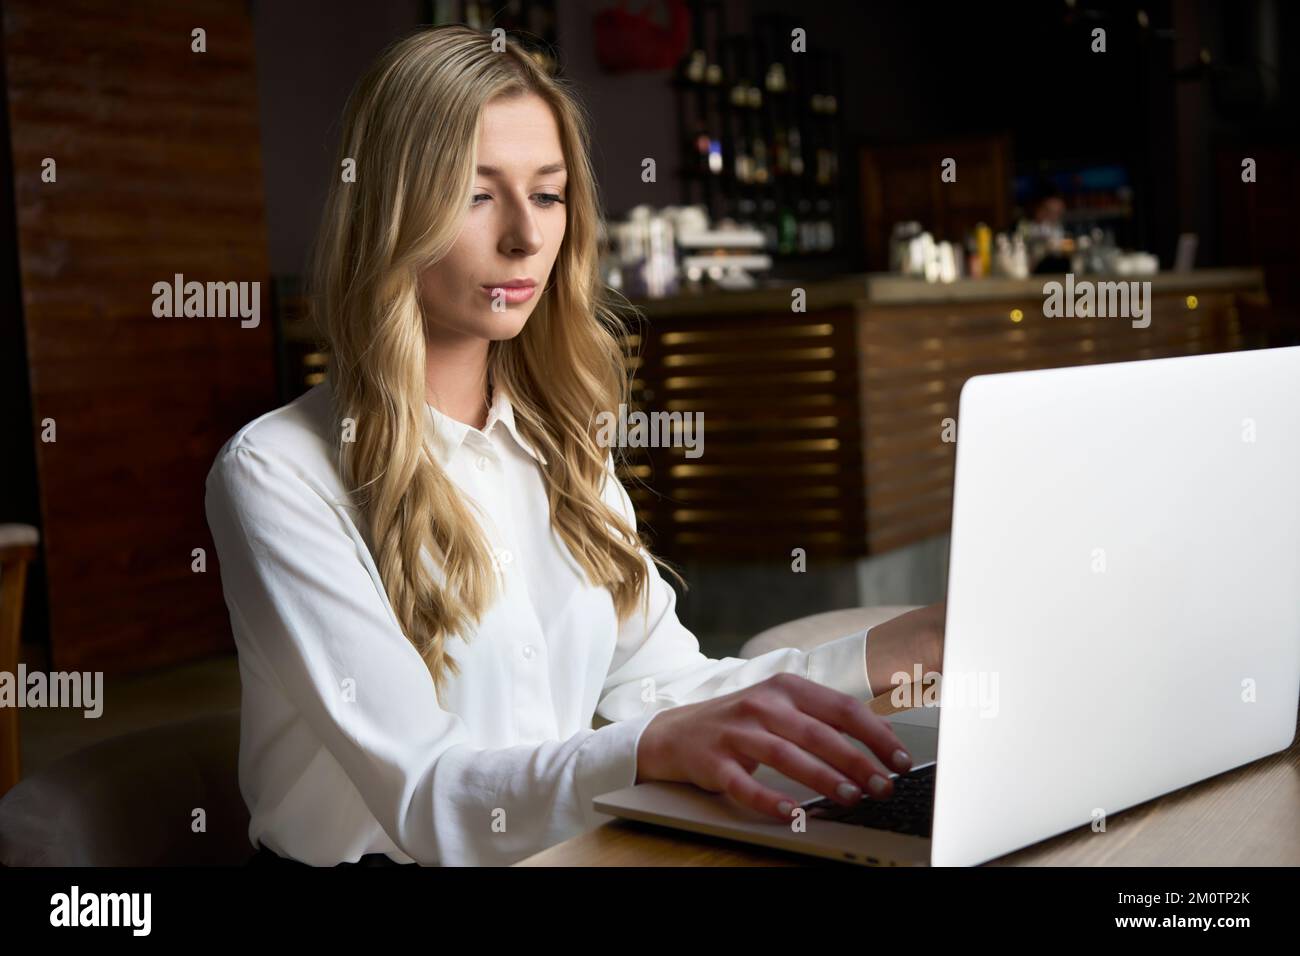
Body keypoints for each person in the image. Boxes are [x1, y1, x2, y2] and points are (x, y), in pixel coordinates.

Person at [205, 24, 945, 868]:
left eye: (547, 194)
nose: (524, 236)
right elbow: (426, 793)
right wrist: (648, 751)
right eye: (475, 194)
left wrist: (907, 648)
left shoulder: (564, 447)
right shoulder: (276, 472)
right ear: (388, 208)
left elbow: (665, 691)